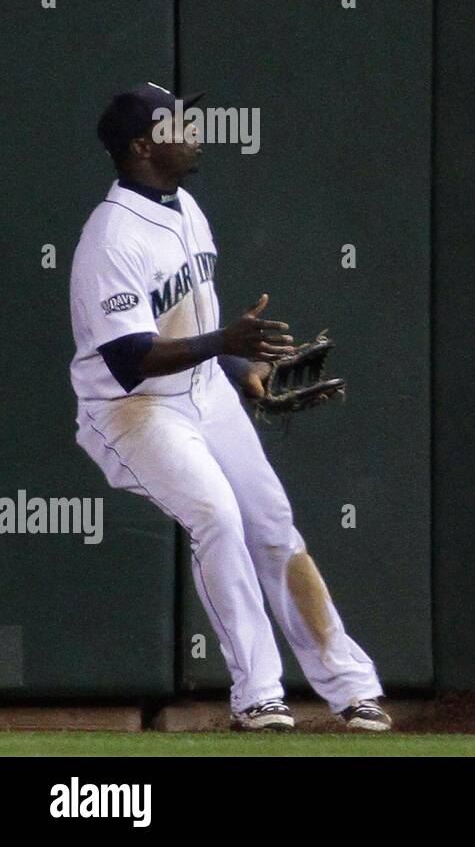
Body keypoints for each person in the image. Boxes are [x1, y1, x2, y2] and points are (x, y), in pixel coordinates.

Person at [69, 82, 392, 731]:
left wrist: (238, 367)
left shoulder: (185, 206)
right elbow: (129, 359)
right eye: (175, 124)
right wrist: (224, 343)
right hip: (132, 410)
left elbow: (194, 323)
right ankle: (257, 695)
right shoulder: (110, 238)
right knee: (217, 515)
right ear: (141, 147)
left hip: (203, 389)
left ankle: (351, 689)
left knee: (271, 522)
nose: (192, 129)